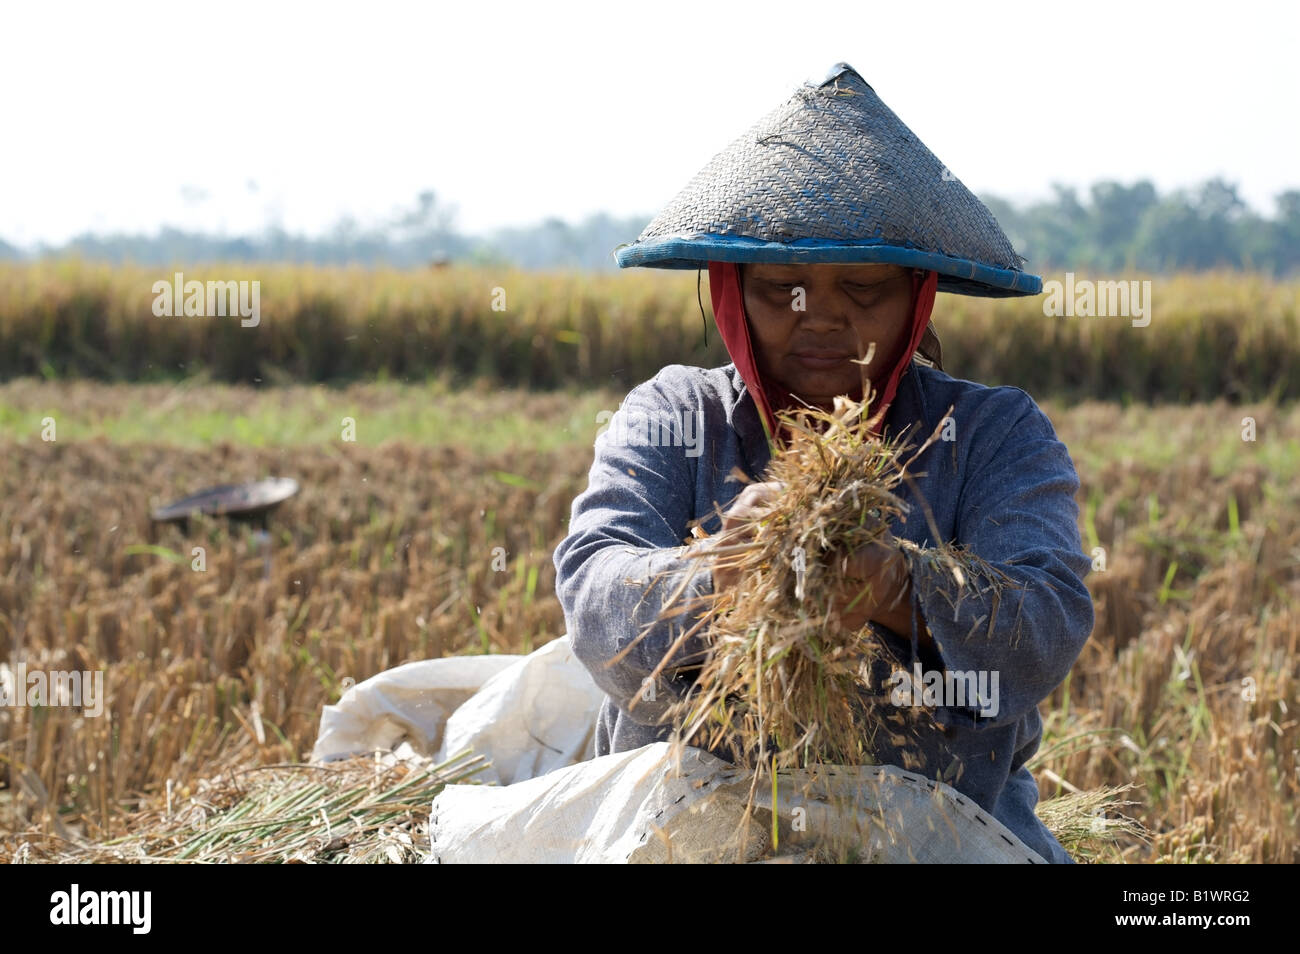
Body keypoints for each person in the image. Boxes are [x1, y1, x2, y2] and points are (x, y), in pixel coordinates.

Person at [552, 64, 1094, 864]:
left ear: (918, 296)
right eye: (781, 287)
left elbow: (1046, 620)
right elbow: (595, 596)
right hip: (685, 833)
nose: (822, 315)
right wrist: (721, 574)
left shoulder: (988, 432)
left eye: (864, 286)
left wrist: (897, 585)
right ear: (731, 291)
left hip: (942, 838)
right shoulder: (676, 417)